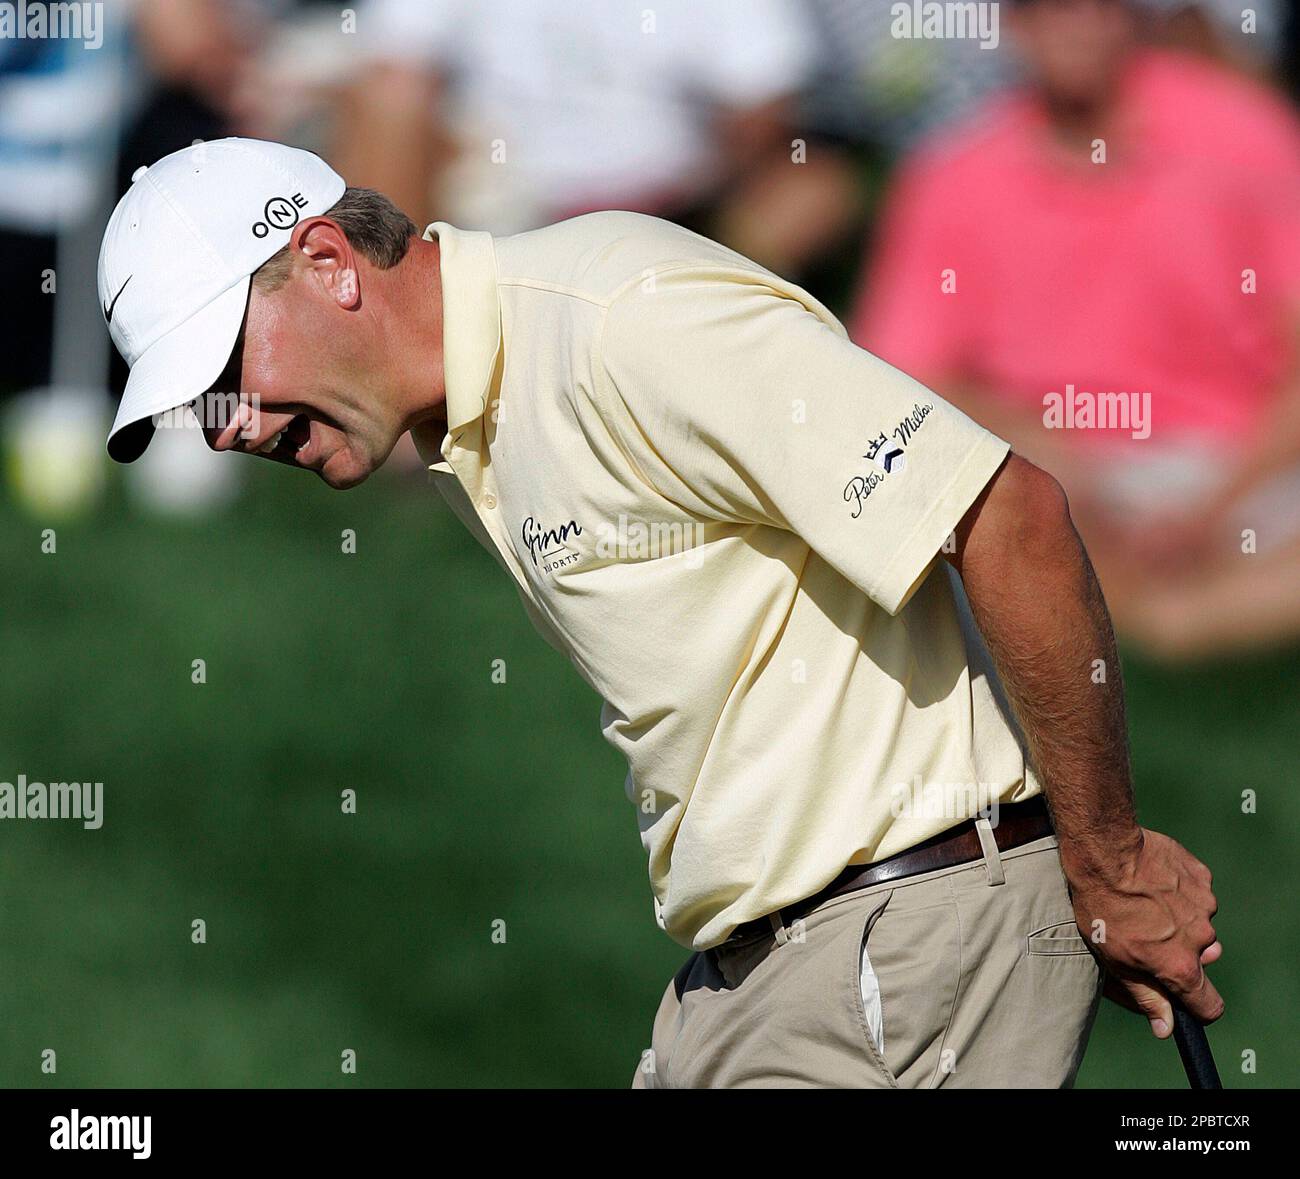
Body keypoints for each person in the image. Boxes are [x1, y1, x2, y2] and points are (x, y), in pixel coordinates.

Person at [97, 138, 1222, 1088]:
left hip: (895, 947)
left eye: (224, 372)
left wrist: (1103, 863)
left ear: (330, 262)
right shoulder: (475, 405)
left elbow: (1004, 514)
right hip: (768, 977)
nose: (227, 427)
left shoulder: (622, 314)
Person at [850, 0, 1300, 660]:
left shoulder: (1243, 133)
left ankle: (1156, 624)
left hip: (1242, 461)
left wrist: (1211, 508)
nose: (1078, 26)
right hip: (1064, 475)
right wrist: (1063, 470)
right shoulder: (952, 173)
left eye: (1100, 7)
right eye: (1049, 9)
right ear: (1012, 24)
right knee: (972, 502)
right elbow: (900, 377)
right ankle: (1169, 621)